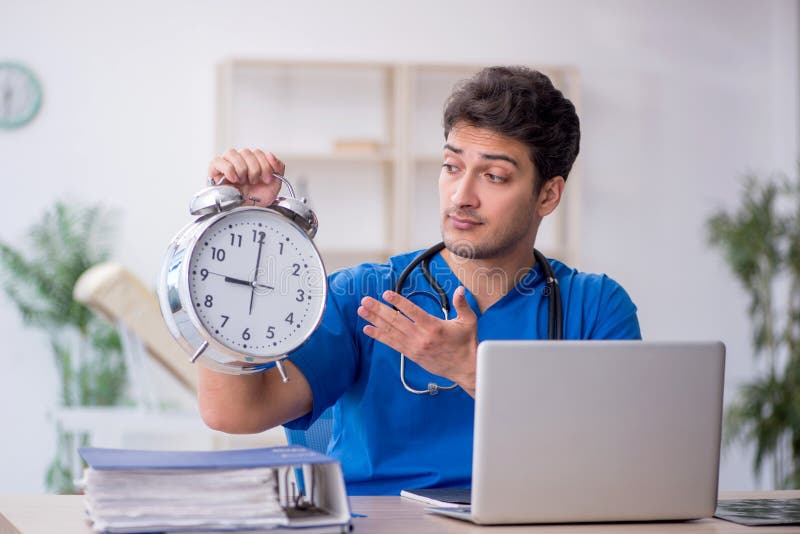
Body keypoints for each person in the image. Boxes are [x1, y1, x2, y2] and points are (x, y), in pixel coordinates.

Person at [198, 66, 641, 495]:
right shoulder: (365, 294)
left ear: (548, 194)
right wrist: (236, 235)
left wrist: (471, 373)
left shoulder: (594, 307)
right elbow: (232, 411)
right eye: (451, 166)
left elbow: (620, 464)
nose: (461, 196)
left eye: (493, 176)